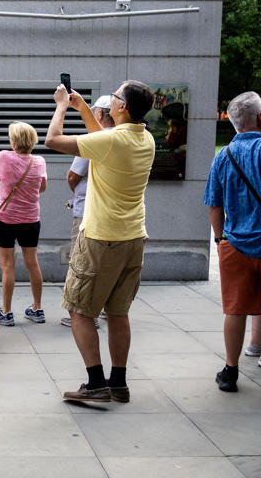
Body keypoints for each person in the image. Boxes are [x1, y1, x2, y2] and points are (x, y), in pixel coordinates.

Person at [45, 81, 154, 403]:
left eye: (116, 96)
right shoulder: (144, 137)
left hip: (100, 238)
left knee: (79, 311)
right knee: (118, 312)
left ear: (121, 107)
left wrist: (62, 106)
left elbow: (52, 140)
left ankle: (95, 384)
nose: (113, 99)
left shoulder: (113, 141)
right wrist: (83, 111)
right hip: (133, 237)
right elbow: (101, 139)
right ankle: (118, 382)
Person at [203, 91, 261, 392]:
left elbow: (213, 204)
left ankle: (230, 370)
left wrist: (220, 239)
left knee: (235, 310)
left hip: (234, 243)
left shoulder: (223, 155)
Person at [60, 95, 114, 328]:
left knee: (81, 262)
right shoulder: (125, 139)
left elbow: (72, 176)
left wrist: (79, 194)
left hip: (86, 211)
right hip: (111, 213)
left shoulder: (94, 140)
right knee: (107, 264)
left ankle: (82, 313)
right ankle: (104, 309)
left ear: (99, 114)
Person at [0, 121, 47, 326]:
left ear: (14, 142)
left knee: (8, 266)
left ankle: (6, 313)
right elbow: (41, 187)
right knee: (32, 262)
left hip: (7, 219)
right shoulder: (39, 161)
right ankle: (37, 308)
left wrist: (6, 188)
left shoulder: (4, 156)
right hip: (31, 219)